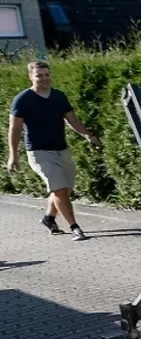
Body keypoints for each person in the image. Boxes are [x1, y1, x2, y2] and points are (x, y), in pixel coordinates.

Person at [7, 61, 100, 240]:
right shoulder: (22, 99)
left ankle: (49, 218)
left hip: (61, 149)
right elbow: (15, 129)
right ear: (31, 77)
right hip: (38, 152)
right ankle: (75, 227)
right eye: (39, 75)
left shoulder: (59, 96)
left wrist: (87, 136)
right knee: (58, 188)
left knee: (65, 189)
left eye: (46, 75)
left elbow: (72, 119)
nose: (44, 79)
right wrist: (13, 155)